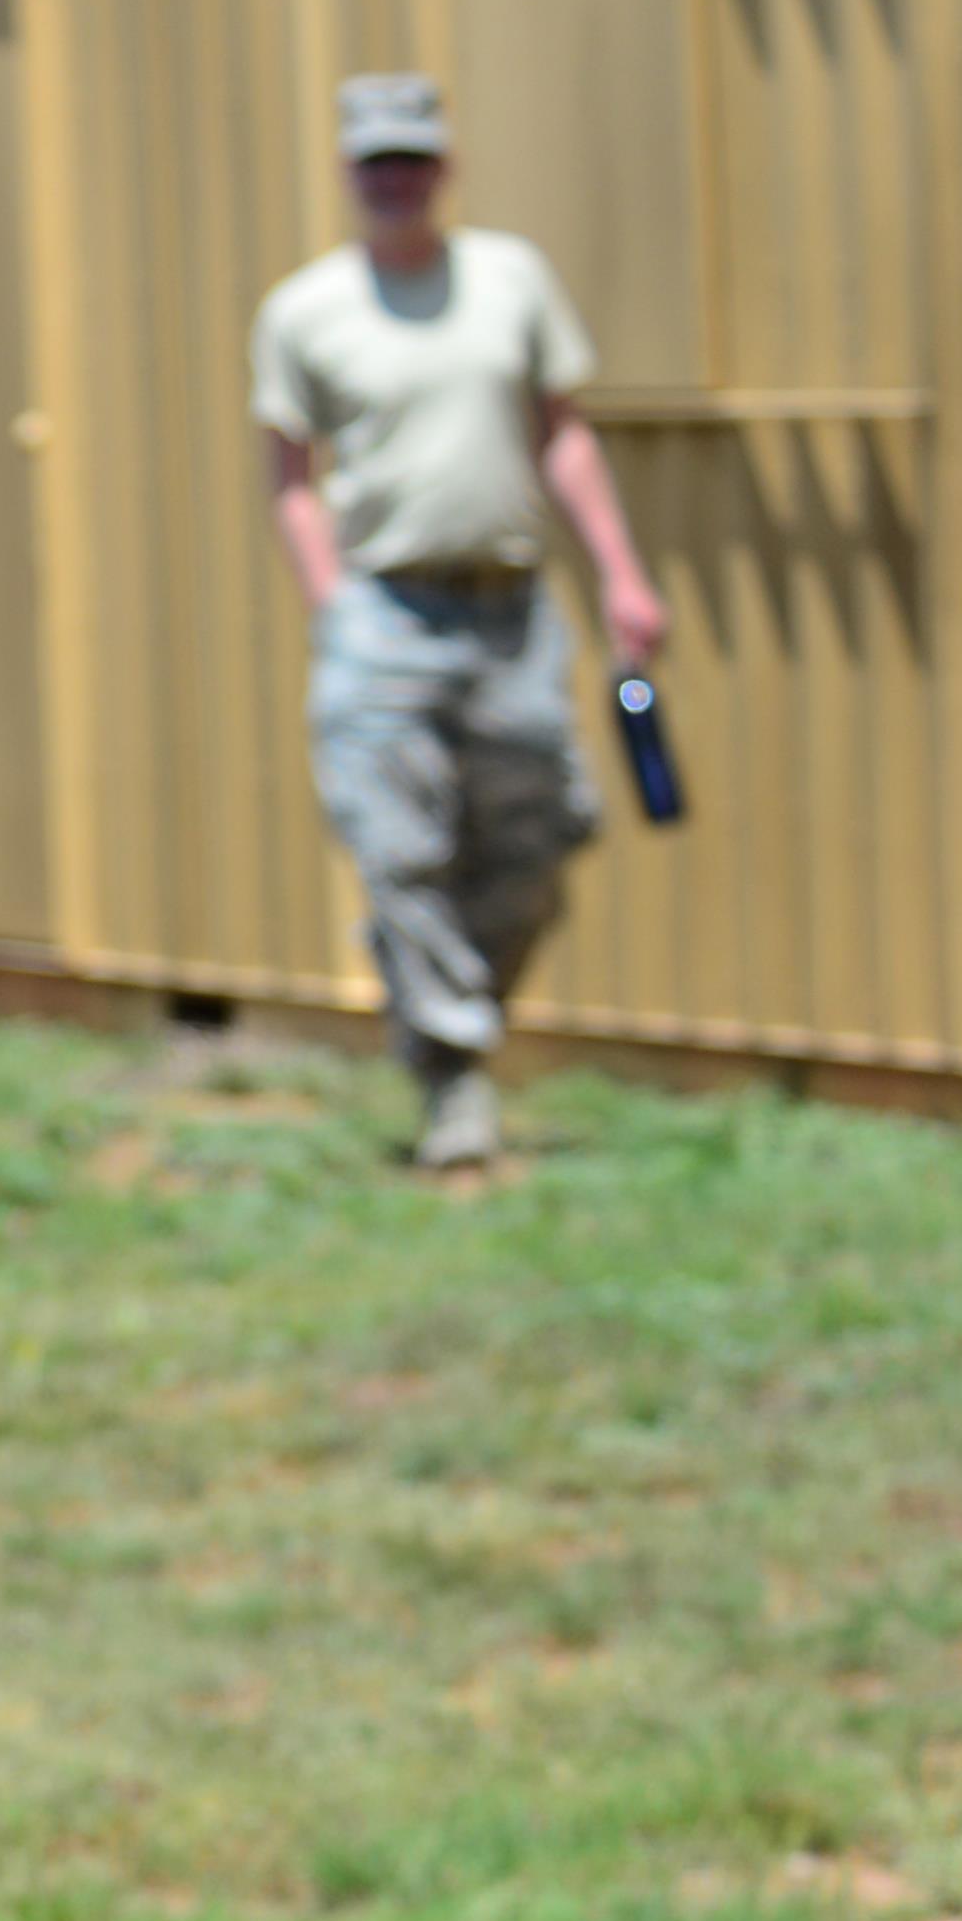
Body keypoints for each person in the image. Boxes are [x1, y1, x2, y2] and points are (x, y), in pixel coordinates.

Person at [249, 74, 671, 1170]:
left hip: (511, 609)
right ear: (349, 173)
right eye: (375, 163)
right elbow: (290, 474)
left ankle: (428, 980)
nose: (396, 180)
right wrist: (331, 604)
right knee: (397, 845)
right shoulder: (307, 311)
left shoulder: (508, 282)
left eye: (413, 160)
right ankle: (454, 1078)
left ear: (445, 168)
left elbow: (562, 435)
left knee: (541, 838)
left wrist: (621, 574)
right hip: (385, 607)